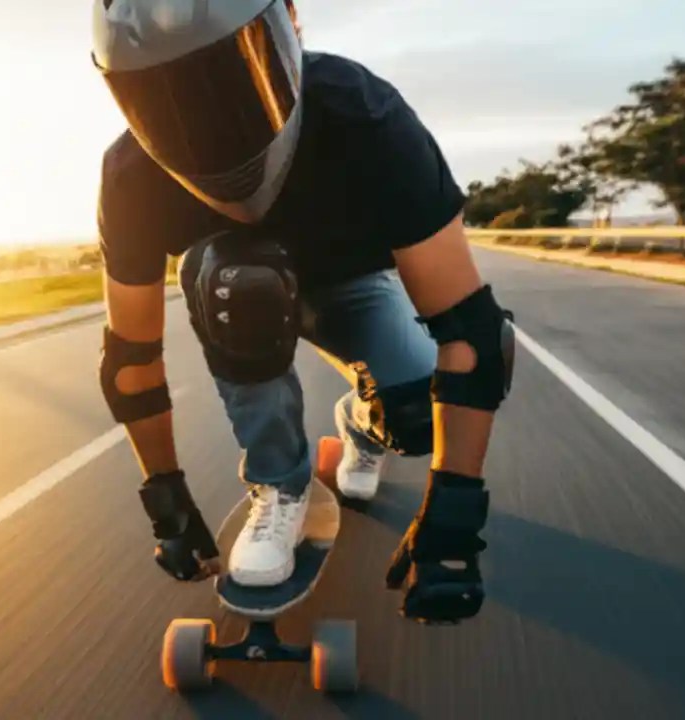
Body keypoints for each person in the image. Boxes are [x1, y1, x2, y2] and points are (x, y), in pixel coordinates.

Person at [91, 0, 515, 623]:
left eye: (229, 75)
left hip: (351, 290)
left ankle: (364, 426)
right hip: (241, 300)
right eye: (165, 96)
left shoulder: (367, 117)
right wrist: (168, 504)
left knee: (419, 418)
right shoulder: (131, 175)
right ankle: (281, 485)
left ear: (290, 20)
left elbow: (471, 333)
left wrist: (452, 521)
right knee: (243, 281)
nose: (203, 118)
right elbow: (130, 360)